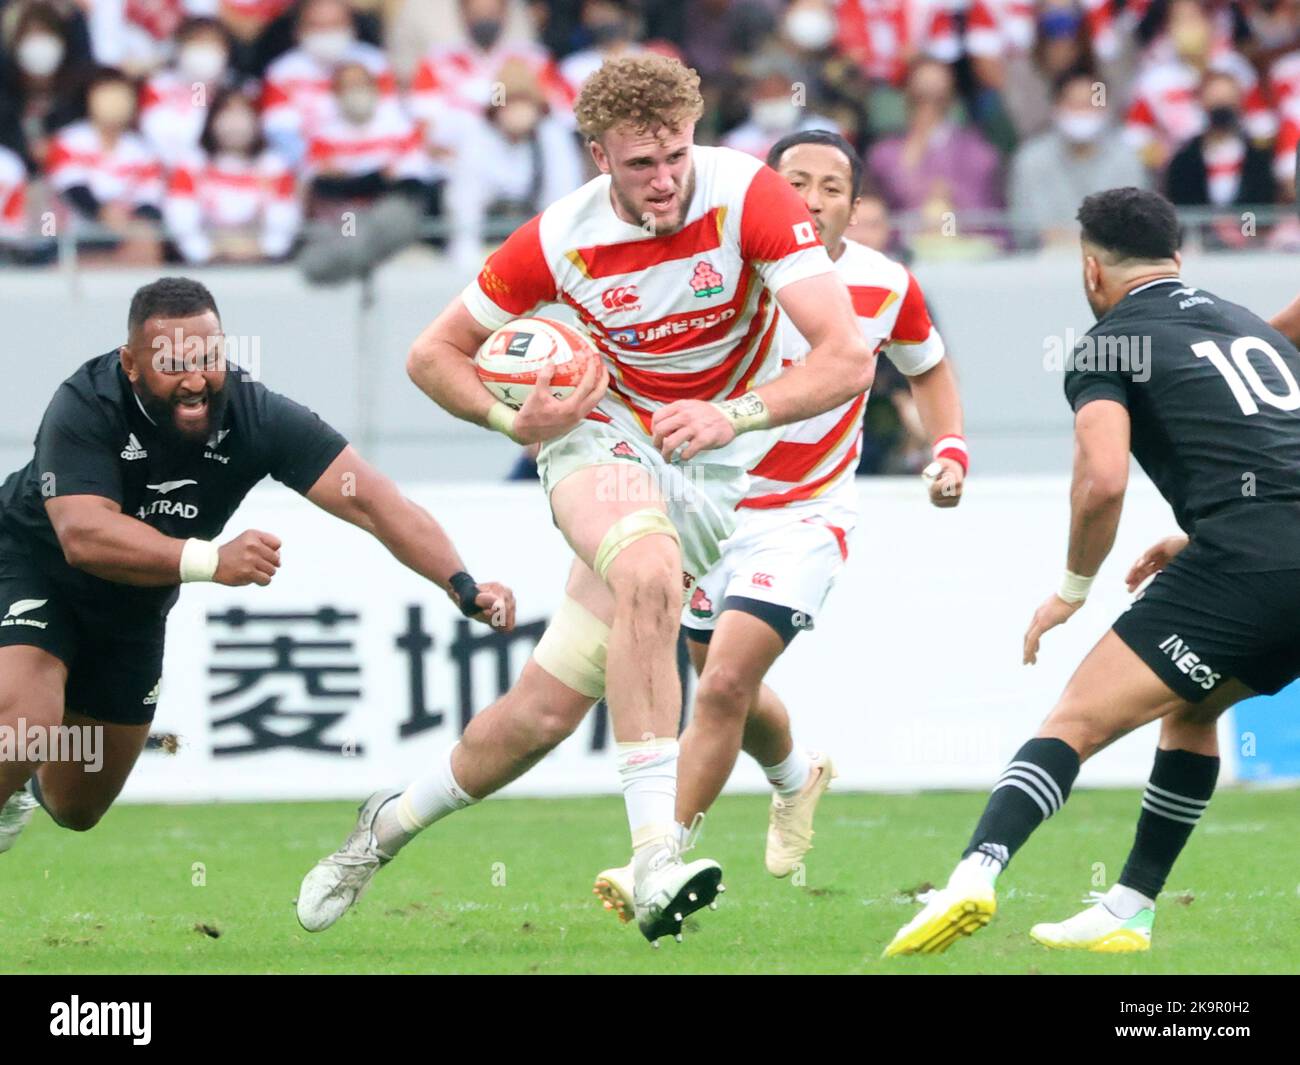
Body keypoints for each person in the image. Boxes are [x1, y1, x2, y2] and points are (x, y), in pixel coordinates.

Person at [295, 53, 873, 945]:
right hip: (596, 436)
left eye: (676, 154)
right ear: (598, 156)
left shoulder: (750, 196)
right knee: (646, 570)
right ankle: (655, 857)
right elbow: (431, 355)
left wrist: (732, 413)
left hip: (710, 466)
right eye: (640, 163)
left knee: (539, 716)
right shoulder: (557, 238)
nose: (664, 179)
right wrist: (511, 419)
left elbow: (846, 356)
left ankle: (384, 827)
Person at [886, 187, 1300, 957]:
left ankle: (973, 873)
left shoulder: (1111, 343)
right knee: (1194, 709)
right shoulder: (1247, 325)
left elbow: (1102, 480)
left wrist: (1071, 590)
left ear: (1090, 272)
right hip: (1272, 554)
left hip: (1245, 563)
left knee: (1074, 722)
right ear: (1181, 255)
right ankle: (1129, 907)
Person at [0, 278, 514, 856]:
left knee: (78, 807)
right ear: (132, 364)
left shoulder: (255, 415)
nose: (195, 379)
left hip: (134, 607)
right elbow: (83, 535)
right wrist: (210, 560)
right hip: (34, 570)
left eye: (209, 358)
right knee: (26, 718)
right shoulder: (88, 402)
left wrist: (461, 583)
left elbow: (371, 500)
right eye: (173, 363)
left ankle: (20, 784)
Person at [590, 129, 965, 919]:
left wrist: (951, 448)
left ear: (855, 208)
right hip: (706, 510)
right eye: (796, 180)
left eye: (833, 186)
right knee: (728, 682)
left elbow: (926, 364)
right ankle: (797, 774)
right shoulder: (718, 268)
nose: (814, 197)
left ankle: (655, 861)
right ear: (765, 188)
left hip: (805, 515)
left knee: (723, 681)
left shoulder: (884, 284)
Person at [1009, 68, 1147, 245]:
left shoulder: (1127, 159)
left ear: (1106, 108)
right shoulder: (1031, 160)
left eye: (1090, 104)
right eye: (1074, 105)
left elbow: (1135, 227)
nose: (1082, 113)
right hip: (1045, 265)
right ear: (1056, 107)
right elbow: (1026, 229)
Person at [163, 89, 301, 264]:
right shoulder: (191, 164)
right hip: (205, 262)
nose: (236, 124)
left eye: (243, 116)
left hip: (261, 261)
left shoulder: (274, 166)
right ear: (212, 121)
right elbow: (180, 216)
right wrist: (204, 252)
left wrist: (267, 249)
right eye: (227, 116)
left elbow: (284, 217)